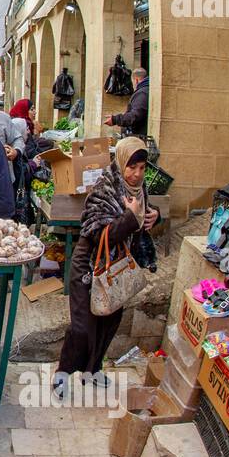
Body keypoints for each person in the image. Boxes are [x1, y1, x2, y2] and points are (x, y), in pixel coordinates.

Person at [54, 136, 159, 399]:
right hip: (89, 266)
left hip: (116, 269)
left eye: (142, 168)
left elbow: (141, 215)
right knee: (82, 325)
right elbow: (98, 233)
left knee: (109, 322)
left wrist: (153, 215)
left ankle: (93, 370)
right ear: (120, 163)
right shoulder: (104, 190)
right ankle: (63, 373)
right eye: (131, 167)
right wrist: (131, 218)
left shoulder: (138, 190)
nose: (136, 174)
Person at [106, 67, 149, 137]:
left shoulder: (142, 93)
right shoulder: (146, 90)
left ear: (136, 80)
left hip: (140, 135)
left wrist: (115, 120)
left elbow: (136, 115)